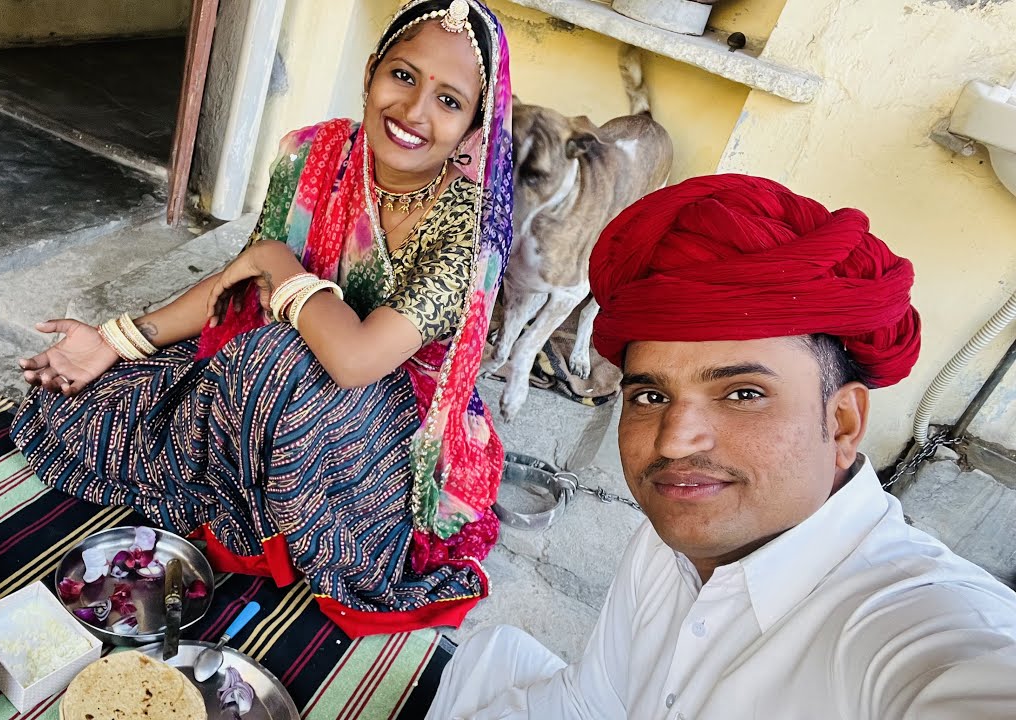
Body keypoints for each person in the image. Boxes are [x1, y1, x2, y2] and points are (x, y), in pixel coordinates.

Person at [8, 0, 514, 637]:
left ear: (474, 123)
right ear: (370, 73)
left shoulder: (468, 233)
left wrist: (280, 264)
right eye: (404, 76)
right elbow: (245, 282)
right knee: (99, 403)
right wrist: (118, 338)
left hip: (390, 416)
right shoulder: (313, 153)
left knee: (277, 359)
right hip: (280, 367)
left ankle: (264, 519)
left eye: (449, 100)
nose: (413, 112)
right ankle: (245, 477)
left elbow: (355, 359)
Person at [427, 174, 1016, 718]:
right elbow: (592, 701)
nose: (675, 440)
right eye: (651, 396)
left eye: (741, 394)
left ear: (841, 421)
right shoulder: (670, 544)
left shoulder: (919, 629)